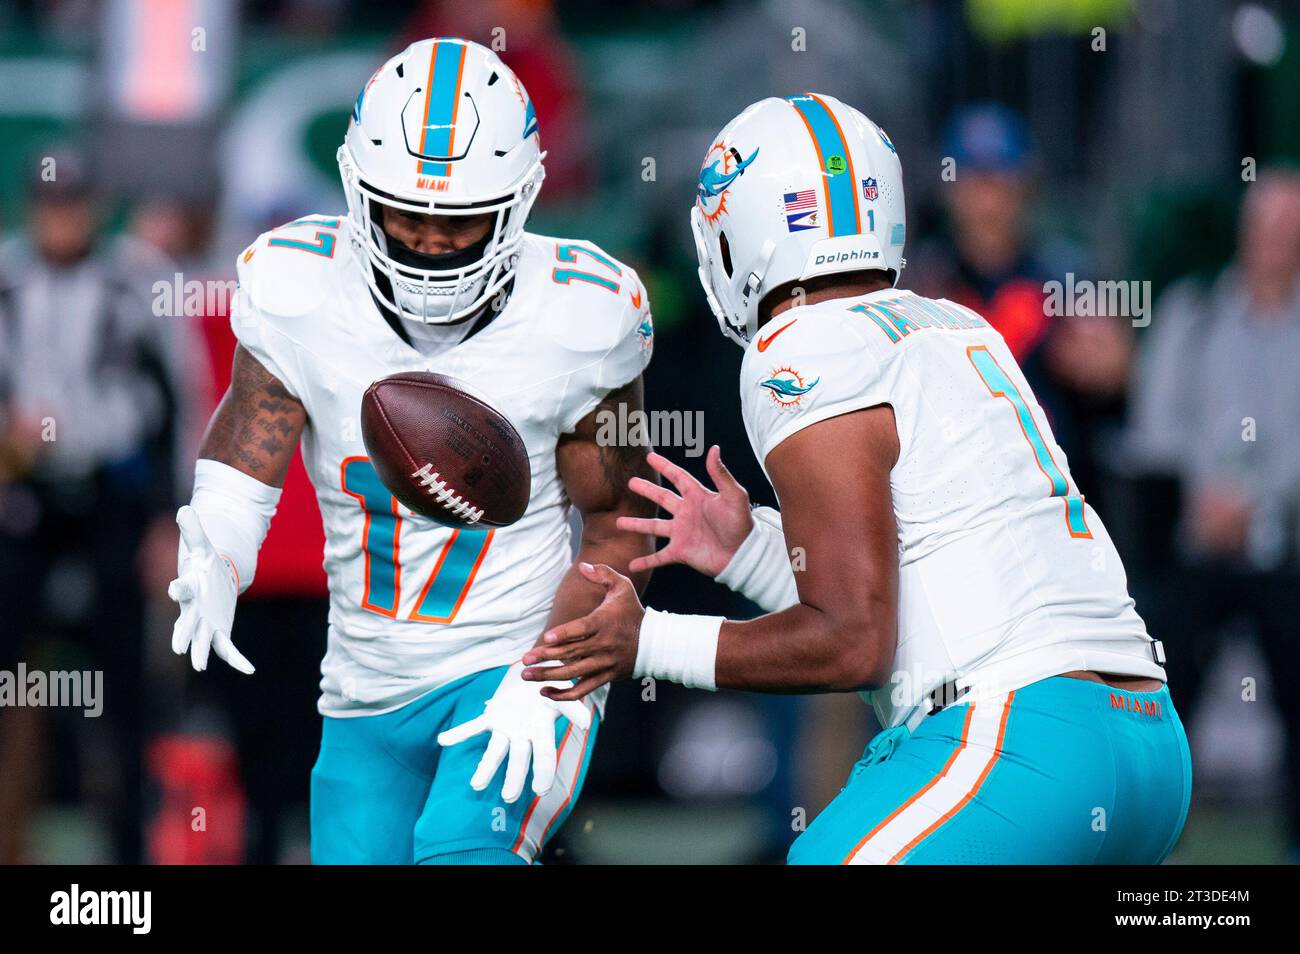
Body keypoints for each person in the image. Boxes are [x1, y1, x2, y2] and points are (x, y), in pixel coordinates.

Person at [521, 93, 1191, 864]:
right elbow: (916, 589)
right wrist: (747, 551)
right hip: (1140, 737)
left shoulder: (798, 347)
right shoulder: (955, 324)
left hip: (1020, 739)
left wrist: (648, 641)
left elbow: (853, 642)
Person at [166, 38, 656, 865]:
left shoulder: (580, 317)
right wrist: (218, 548)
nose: (429, 240)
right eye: (405, 213)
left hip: (510, 671)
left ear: (522, 199)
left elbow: (619, 527)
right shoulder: (301, 290)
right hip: (360, 690)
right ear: (356, 191)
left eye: (458, 218)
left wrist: (554, 679)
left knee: (460, 848)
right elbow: (249, 448)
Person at [0, 146, 193, 863]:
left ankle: (126, 855)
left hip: (111, 495)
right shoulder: (8, 280)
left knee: (122, 686)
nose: (62, 220)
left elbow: (176, 403)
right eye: (51, 205)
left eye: (73, 205)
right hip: (24, 499)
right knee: (11, 678)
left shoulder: (134, 284)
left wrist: (170, 520)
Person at [1124, 168, 1300, 861]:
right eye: (1265, 227)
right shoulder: (1191, 316)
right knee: (1155, 709)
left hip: (1283, 550)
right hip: (1193, 547)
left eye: (1288, 230)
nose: (1273, 243)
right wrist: (1210, 499)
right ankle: (1148, 847)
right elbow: (1156, 426)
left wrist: (1255, 503)